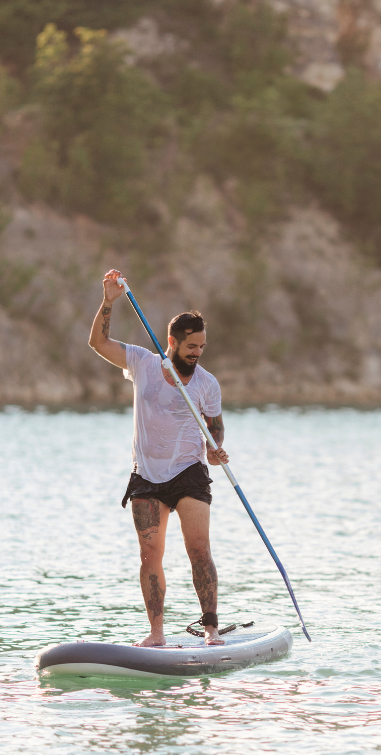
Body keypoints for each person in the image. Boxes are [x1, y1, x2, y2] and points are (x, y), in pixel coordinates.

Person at [88, 269, 229, 647]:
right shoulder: (142, 363)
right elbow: (97, 343)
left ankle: (212, 630)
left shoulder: (206, 384)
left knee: (199, 549)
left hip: (189, 472)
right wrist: (108, 302)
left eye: (201, 347)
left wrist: (215, 450)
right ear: (172, 341)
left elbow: (214, 427)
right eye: (190, 347)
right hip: (147, 477)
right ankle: (156, 634)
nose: (197, 354)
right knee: (149, 554)